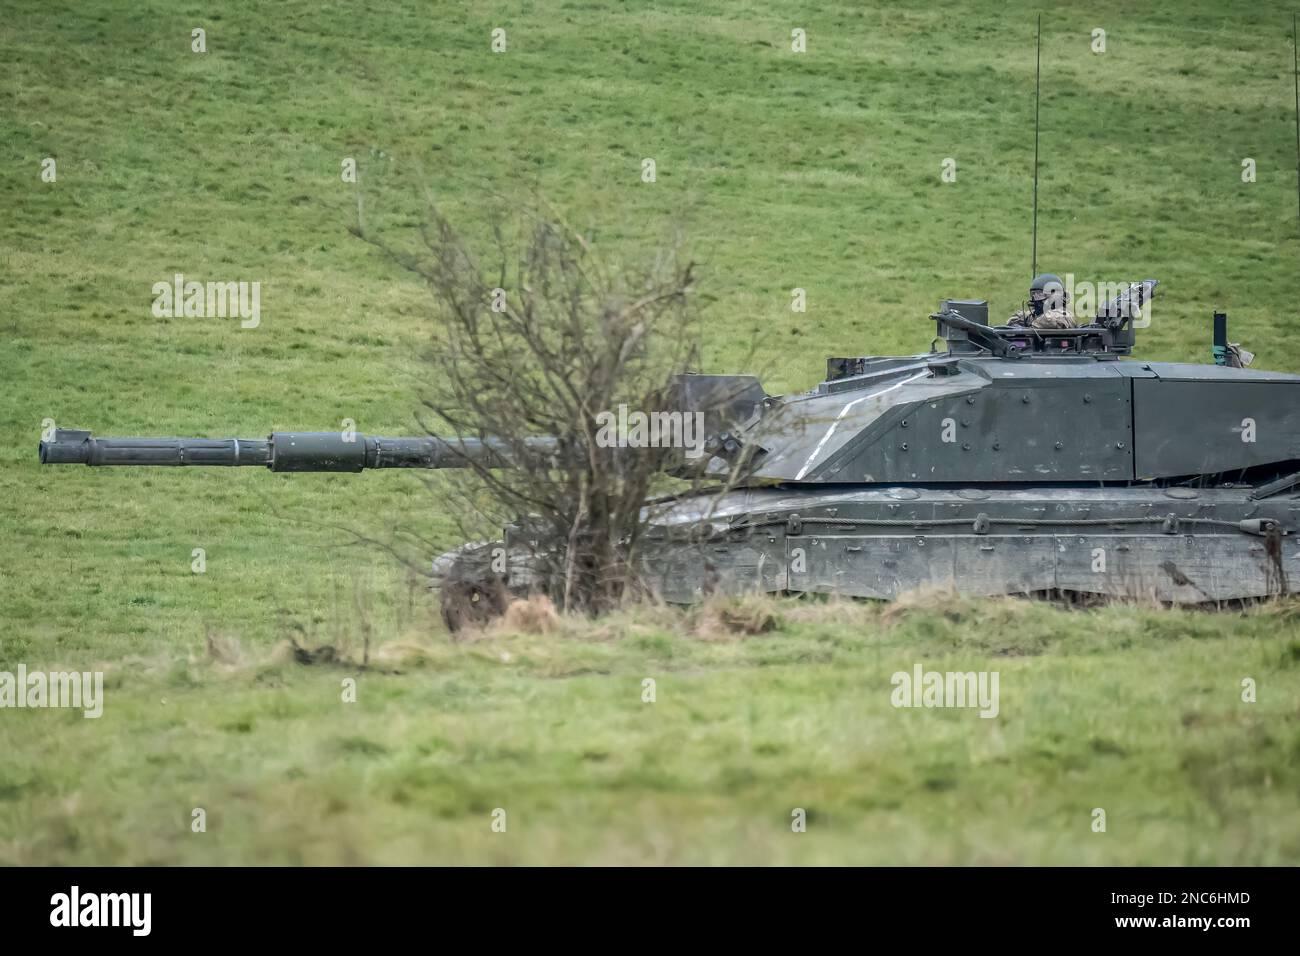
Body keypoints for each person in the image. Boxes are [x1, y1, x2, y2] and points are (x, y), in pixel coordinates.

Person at [1008, 273, 1076, 329]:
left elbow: (1052, 319)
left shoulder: (1064, 314)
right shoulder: (1034, 315)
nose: (1035, 298)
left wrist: (1029, 327)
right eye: (1034, 294)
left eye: (1040, 294)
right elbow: (1015, 319)